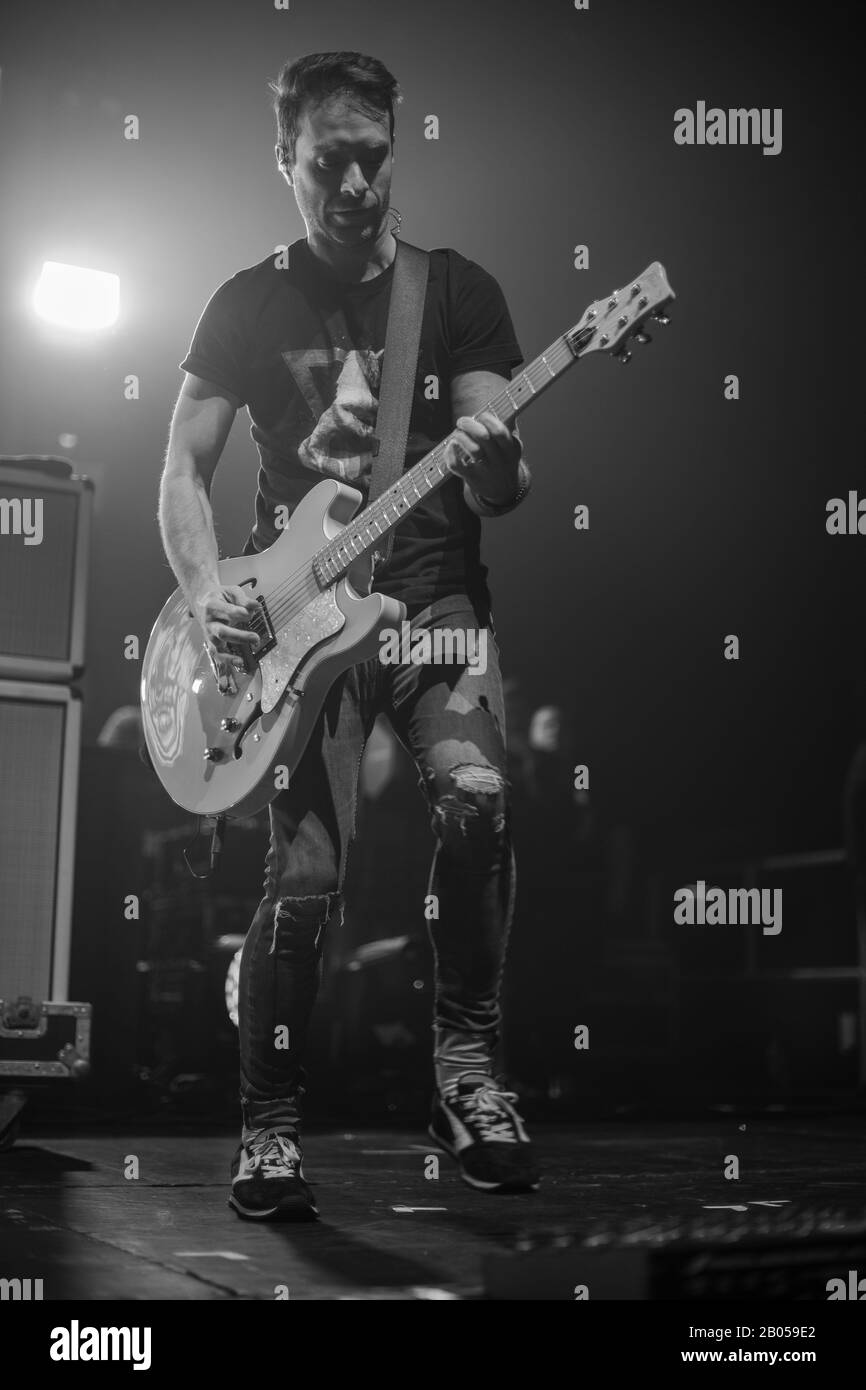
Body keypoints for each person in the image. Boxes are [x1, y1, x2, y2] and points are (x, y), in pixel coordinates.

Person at [158, 50, 538, 1220]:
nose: (357, 184)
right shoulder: (243, 301)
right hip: (299, 627)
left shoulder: (456, 290)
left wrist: (502, 457)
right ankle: (269, 1127)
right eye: (330, 161)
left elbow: (501, 490)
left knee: (476, 796)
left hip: (434, 614)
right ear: (286, 161)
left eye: (375, 158)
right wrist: (212, 580)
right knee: (306, 881)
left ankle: (466, 1071)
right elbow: (179, 467)